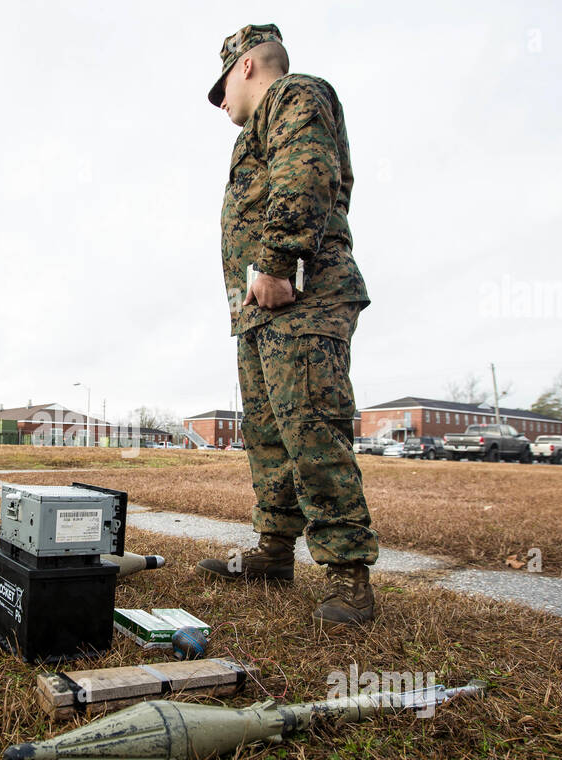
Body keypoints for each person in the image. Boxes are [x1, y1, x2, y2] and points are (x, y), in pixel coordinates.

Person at [196, 24, 380, 625]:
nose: (220, 101)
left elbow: (306, 174)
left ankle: (349, 575)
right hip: (262, 311)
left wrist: (277, 262)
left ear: (245, 66)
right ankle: (274, 553)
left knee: (311, 428)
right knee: (271, 435)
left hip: (302, 296)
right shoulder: (256, 126)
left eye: (220, 86)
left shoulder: (296, 94)